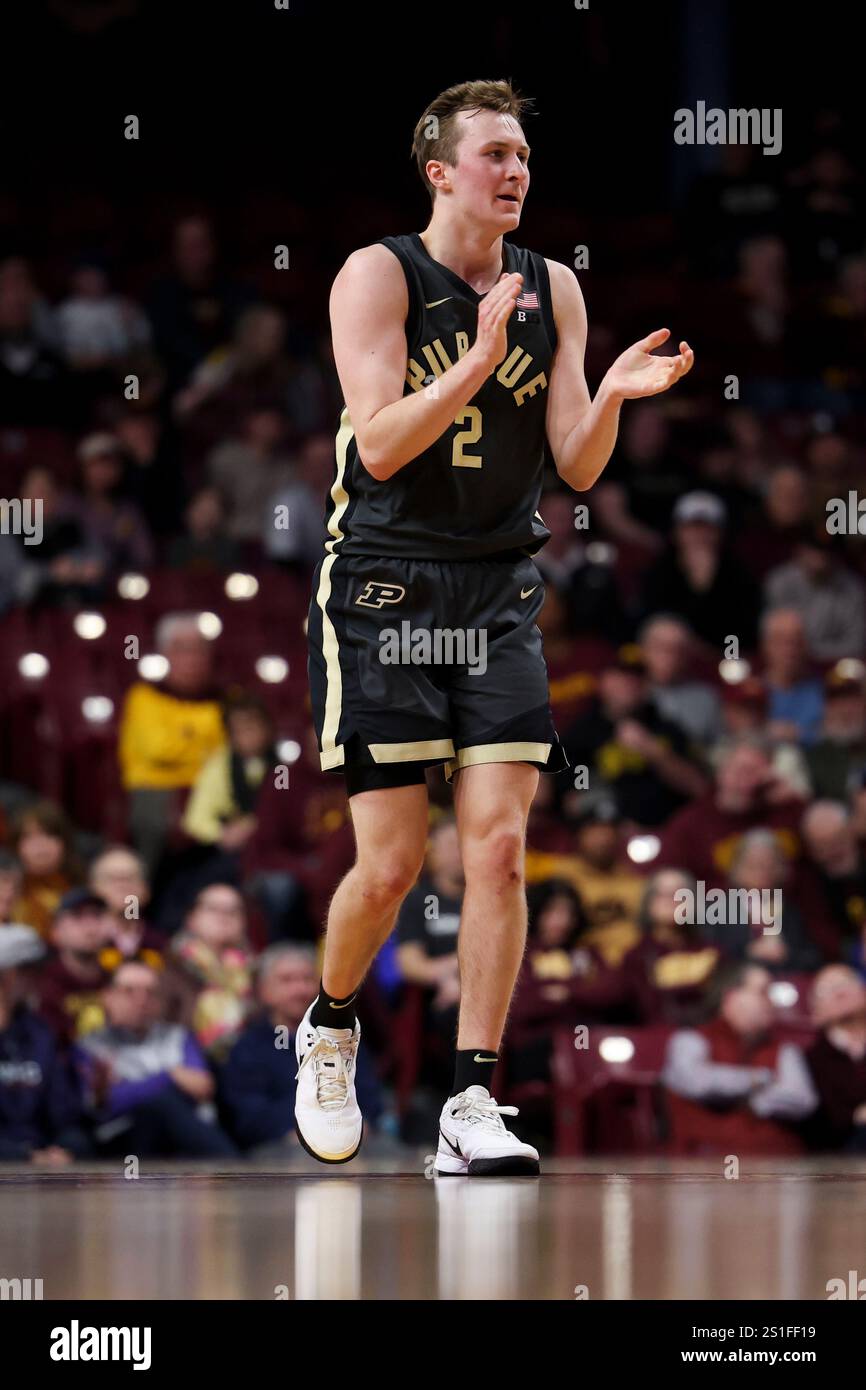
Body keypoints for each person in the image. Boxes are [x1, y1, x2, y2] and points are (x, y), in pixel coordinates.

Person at [299, 78, 693, 1175]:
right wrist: (472, 366)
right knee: (389, 865)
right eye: (494, 154)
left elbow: (571, 461)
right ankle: (330, 1024)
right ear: (440, 171)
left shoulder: (551, 284)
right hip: (384, 582)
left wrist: (607, 394)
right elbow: (376, 444)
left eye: (523, 153)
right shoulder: (378, 274)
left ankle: (469, 1102)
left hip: (496, 588)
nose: (514, 170)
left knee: (504, 853)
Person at [221, 944, 382, 1156]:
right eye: (287, 980)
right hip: (278, 1149)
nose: (300, 990)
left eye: (307, 980)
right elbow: (250, 1118)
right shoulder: (249, 1048)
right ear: (264, 991)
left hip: (350, 1142)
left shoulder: (343, 1036)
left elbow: (370, 1098)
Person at [75, 959, 236, 1159]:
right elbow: (104, 1105)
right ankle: (230, 1164)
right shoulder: (92, 1046)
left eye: (150, 992)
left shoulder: (178, 1036)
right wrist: (170, 1076)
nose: (141, 1000)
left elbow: (203, 1087)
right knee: (162, 1104)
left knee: (171, 1112)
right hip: (126, 1143)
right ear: (108, 997)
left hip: (183, 1139)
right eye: (129, 991)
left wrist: (131, 1088)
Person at [662, 962, 818, 1156]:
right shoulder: (689, 1040)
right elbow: (698, 1082)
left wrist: (754, 1102)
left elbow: (803, 1100)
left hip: (774, 1171)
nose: (772, 1001)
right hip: (703, 1172)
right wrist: (761, 1079)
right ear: (731, 997)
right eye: (762, 992)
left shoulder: (784, 1049)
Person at [0, 926, 89, 1164]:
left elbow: (62, 1114)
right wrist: (24, 1156)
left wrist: (67, 1148)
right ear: (7, 975)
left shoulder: (39, 1032)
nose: (39, 979)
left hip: (38, 1156)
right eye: (31, 971)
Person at [806, 965, 866, 1151]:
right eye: (827, 990)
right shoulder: (811, 1060)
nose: (840, 991)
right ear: (815, 1012)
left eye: (846, 983)